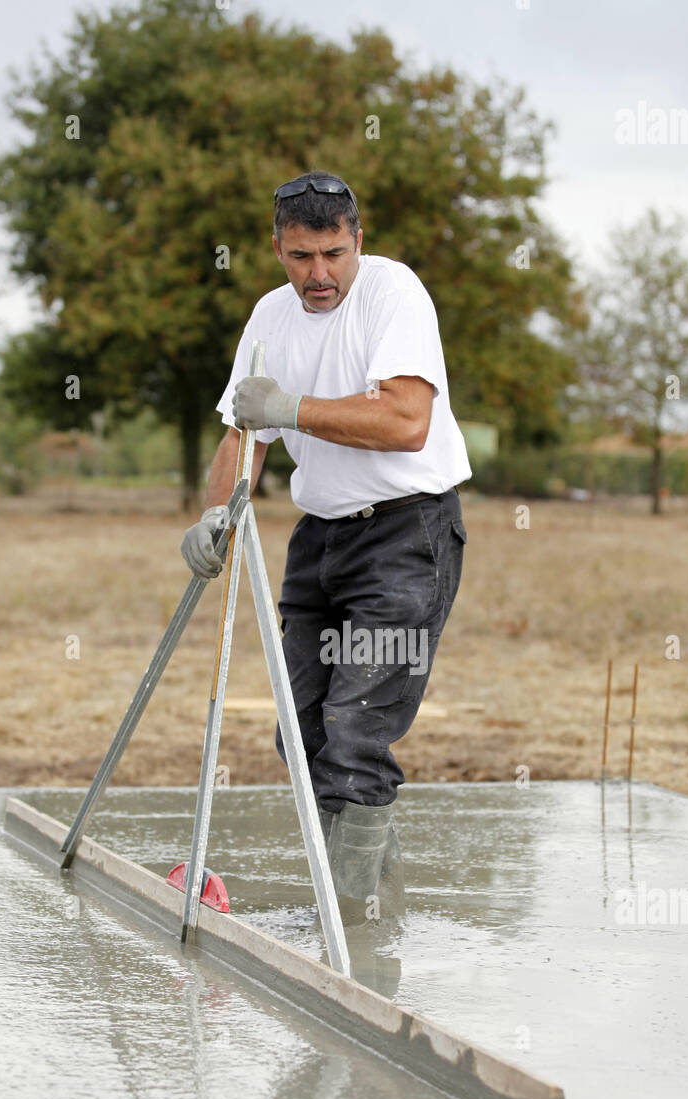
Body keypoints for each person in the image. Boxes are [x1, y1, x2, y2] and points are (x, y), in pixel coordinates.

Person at [182, 171, 471, 923]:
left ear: (358, 242)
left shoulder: (393, 295)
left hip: (408, 535)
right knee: (302, 734)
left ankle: (351, 929)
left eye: (334, 254)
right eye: (302, 256)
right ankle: (378, 904)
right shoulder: (269, 318)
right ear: (277, 246)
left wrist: (294, 409)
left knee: (355, 733)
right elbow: (244, 432)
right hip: (322, 542)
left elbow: (406, 419)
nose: (319, 274)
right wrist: (220, 516)